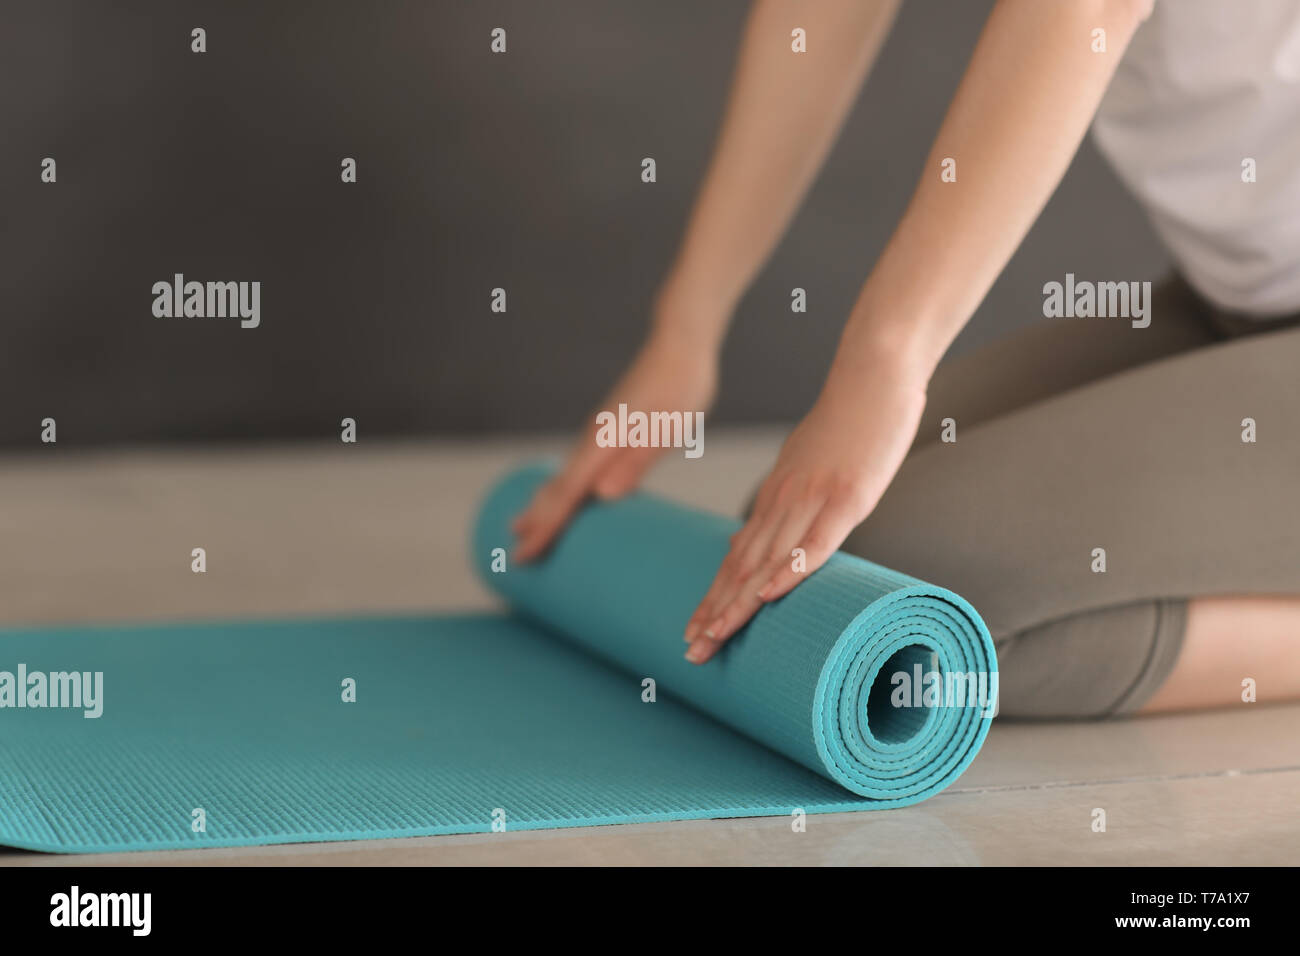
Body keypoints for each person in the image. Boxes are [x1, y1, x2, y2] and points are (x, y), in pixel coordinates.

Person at [512, 0, 1300, 717]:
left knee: (909, 614)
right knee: (815, 558)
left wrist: (887, 356)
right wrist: (686, 329)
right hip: (1227, 301)